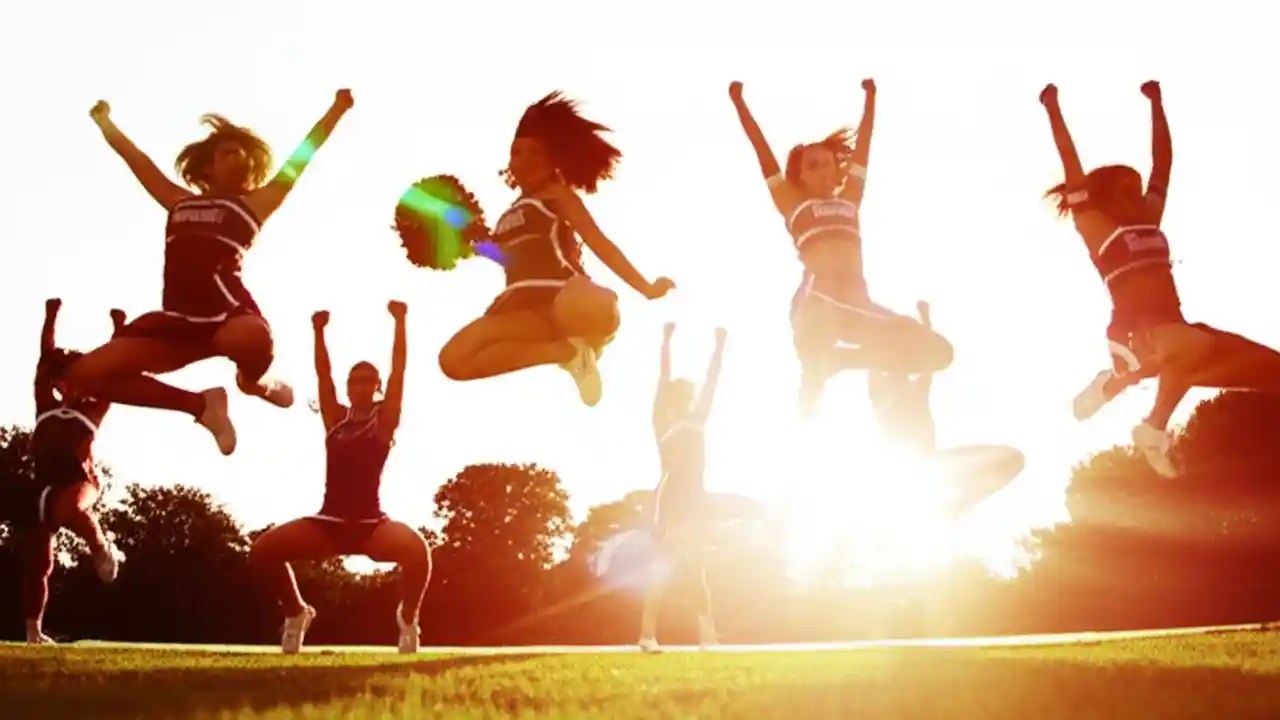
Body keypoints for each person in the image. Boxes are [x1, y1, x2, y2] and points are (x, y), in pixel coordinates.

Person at [65, 90, 355, 456]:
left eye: (242, 153)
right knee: (84, 375)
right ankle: (201, 405)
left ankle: (256, 383)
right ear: (207, 167)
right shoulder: (178, 200)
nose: (238, 157)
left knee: (252, 338)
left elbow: (302, 156)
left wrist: (336, 109)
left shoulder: (256, 203)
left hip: (226, 316)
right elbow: (136, 159)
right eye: (228, 152)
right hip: (177, 322)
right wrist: (105, 122)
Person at [1041, 81, 1280, 477]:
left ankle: (1116, 383)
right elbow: (1070, 161)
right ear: (1108, 199)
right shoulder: (1097, 227)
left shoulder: (1148, 220)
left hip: (1174, 333)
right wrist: (1052, 107)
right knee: (1188, 346)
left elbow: (1163, 162)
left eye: (1140, 191)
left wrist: (1157, 103)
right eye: (1128, 192)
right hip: (1135, 334)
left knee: (1270, 369)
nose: (1140, 198)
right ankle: (1151, 425)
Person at [398, 92, 675, 407]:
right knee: (453, 360)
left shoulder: (557, 196)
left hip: (570, 303)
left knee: (590, 300)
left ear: (551, 159)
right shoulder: (506, 216)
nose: (524, 160)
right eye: (517, 152)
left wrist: (645, 288)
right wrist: (461, 235)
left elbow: (597, 241)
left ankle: (585, 342)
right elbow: (509, 258)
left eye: (534, 152)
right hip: (528, 313)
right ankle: (568, 354)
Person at [728, 79, 952, 417]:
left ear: (836, 169)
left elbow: (865, 143)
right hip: (818, 303)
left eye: (826, 163)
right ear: (800, 176)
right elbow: (761, 149)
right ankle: (810, 393)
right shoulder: (792, 204)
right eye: (812, 165)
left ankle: (840, 361)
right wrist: (739, 102)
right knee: (813, 367)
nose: (822, 169)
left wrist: (871, 98)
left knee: (939, 352)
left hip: (857, 307)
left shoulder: (851, 199)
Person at [249, 302, 430, 654]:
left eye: (367, 380)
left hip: (370, 525)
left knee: (417, 550)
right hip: (330, 522)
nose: (359, 385)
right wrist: (318, 332)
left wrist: (401, 321)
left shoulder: (384, 420)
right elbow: (323, 375)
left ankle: (408, 619)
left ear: (376, 386)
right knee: (264, 550)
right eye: (354, 380)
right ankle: (296, 613)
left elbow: (400, 369)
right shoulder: (335, 419)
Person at [1, 299, 126, 644]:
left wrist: (119, 329)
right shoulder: (45, 404)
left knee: (71, 508)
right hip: (42, 486)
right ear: (59, 382)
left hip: (80, 481)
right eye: (65, 378)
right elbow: (45, 358)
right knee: (37, 563)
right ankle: (33, 632)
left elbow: (117, 368)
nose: (72, 384)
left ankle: (101, 547)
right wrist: (50, 317)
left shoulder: (95, 408)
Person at [868, 301, 1024, 519]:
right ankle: (945, 507)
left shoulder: (915, 389)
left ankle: (956, 505)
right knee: (1012, 459)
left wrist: (926, 320)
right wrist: (920, 321)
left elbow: (929, 361)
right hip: (914, 468)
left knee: (1013, 458)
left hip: (934, 465)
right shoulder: (881, 392)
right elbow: (879, 362)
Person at [638, 322, 726, 653]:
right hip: (672, 499)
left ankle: (708, 637)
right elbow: (663, 379)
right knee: (661, 569)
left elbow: (711, 384)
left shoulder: (697, 419)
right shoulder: (662, 422)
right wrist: (666, 341)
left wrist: (719, 347)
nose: (691, 400)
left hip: (696, 500)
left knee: (697, 570)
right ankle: (647, 635)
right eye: (685, 397)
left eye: (691, 397)